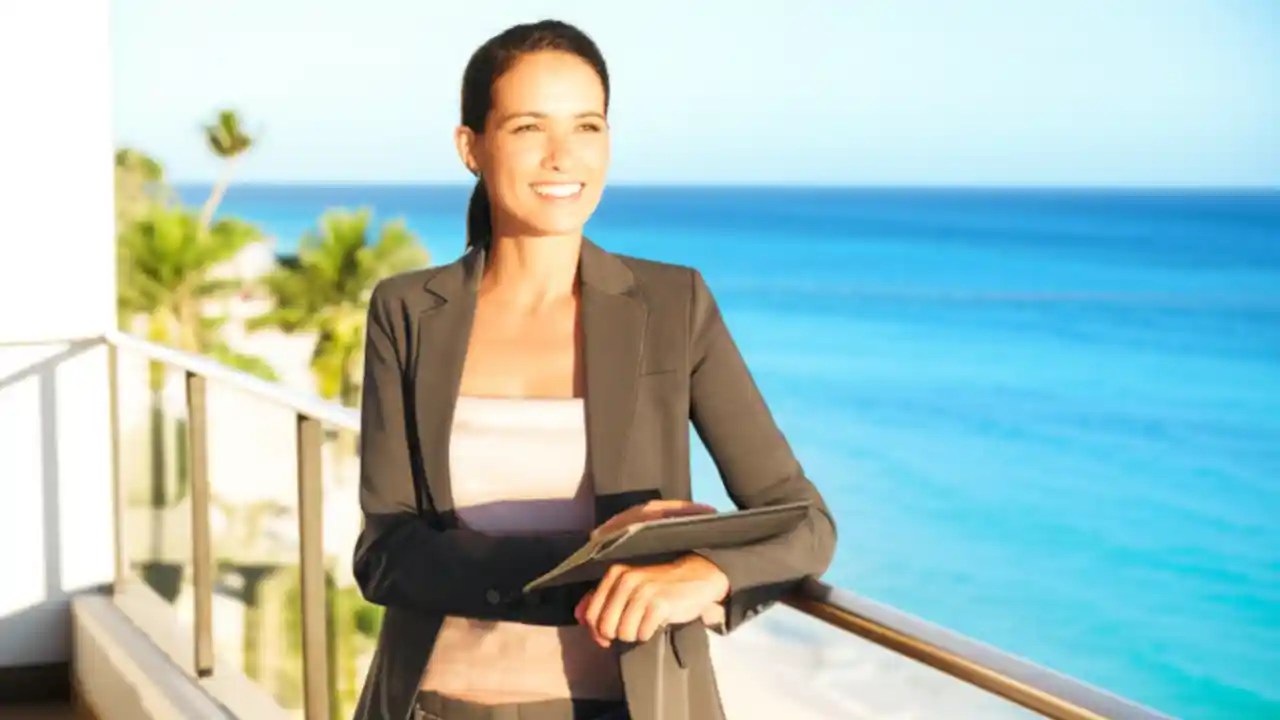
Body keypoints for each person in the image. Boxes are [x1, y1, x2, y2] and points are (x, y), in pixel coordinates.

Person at [351, 19, 837, 720]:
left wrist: (703, 576)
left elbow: (804, 522)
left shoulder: (674, 305)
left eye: (587, 127)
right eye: (527, 128)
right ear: (472, 147)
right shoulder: (408, 311)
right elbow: (386, 553)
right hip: (435, 705)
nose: (562, 156)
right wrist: (598, 558)